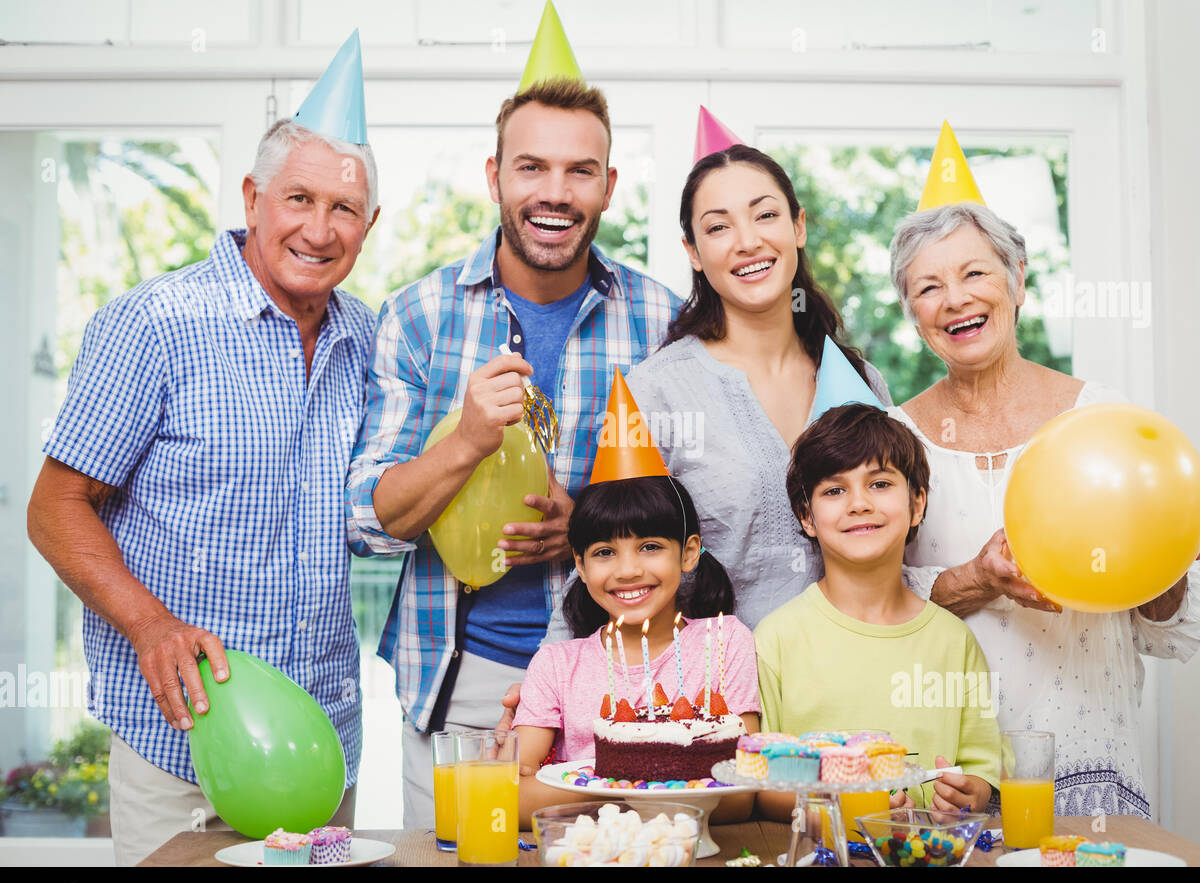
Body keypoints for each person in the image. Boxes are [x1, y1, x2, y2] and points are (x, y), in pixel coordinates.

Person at [26, 37, 381, 867]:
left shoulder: (367, 337)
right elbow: (53, 508)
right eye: (299, 198)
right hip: (181, 742)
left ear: (369, 226)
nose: (319, 229)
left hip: (325, 747)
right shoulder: (153, 325)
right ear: (254, 197)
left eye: (344, 209)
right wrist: (150, 626)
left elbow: (381, 507)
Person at [344, 78, 680, 829]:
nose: (554, 192)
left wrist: (592, 524)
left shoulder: (665, 320)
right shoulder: (418, 317)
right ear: (495, 176)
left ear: (608, 185)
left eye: (579, 171)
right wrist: (464, 442)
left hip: (630, 685)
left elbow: (700, 510)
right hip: (461, 684)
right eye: (531, 167)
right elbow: (365, 524)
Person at [887, 199, 1200, 817]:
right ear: (914, 314)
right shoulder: (892, 439)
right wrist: (977, 580)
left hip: (1087, 754)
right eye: (929, 286)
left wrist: (1163, 567)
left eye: (975, 273)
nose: (955, 298)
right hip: (947, 773)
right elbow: (872, 608)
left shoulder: (1102, 418)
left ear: (1019, 281)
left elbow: (1170, 631)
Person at [540, 143, 892, 643]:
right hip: (710, 701)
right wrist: (545, 690)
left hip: (849, 687)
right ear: (693, 253)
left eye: (765, 215)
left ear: (798, 226)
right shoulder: (656, 391)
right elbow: (609, 556)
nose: (747, 242)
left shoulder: (862, 382)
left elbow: (903, 548)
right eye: (719, 226)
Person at [754, 404, 1000, 818]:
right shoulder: (775, 640)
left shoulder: (954, 641)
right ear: (806, 516)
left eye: (880, 483)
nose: (859, 503)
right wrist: (847, 804)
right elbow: (763, 788)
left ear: (917, 504)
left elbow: (981, 772)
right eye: (834, 490)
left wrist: (967, 792)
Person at [514, 474, 759, 820]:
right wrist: (655, 794)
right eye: (605, 552)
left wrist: (590, 790)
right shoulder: (556, 664)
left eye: (650, 546)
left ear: (688, 553)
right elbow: (513, 795)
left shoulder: (724, 642)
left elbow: (738, 798)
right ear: (581, 566)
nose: (628, 570)